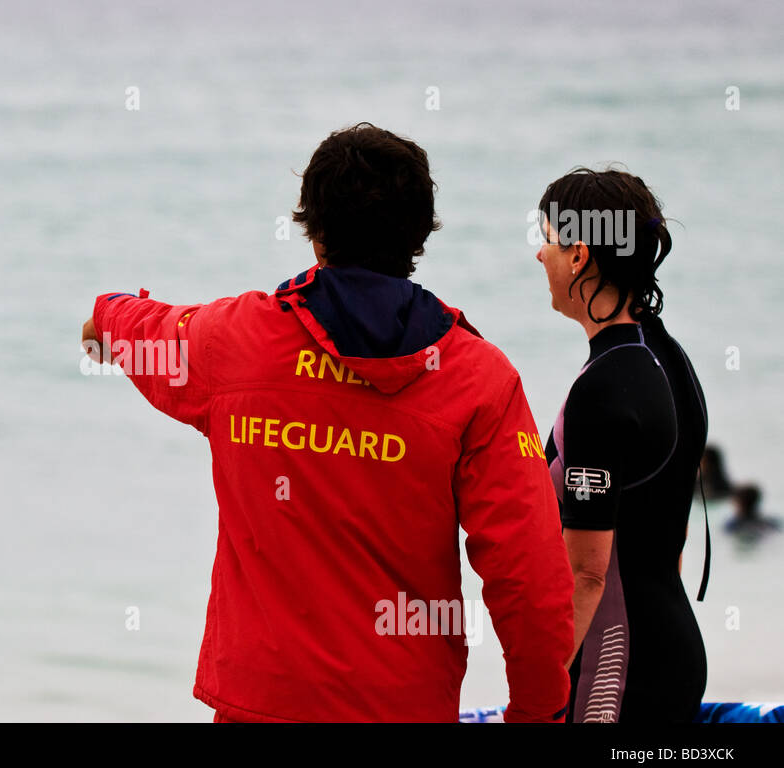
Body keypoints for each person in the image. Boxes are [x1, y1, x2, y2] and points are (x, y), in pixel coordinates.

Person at [82, 123, 574, 722]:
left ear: (314, 233)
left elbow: (145, 328)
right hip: (404, 705)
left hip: (263, 704)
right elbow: (530, 577)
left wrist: (105, 319)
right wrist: (539, 711)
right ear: (419, 235)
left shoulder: (235, 341)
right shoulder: (478, 377)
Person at [535, 168, 708, 723]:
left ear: (579, 255)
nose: (541, 256)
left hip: (613, 671)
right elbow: (669, 530)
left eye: (548, 239)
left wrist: (536, 696)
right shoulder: (670, 358)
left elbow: (586, 575)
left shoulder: (603, 389)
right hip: (671, 647)